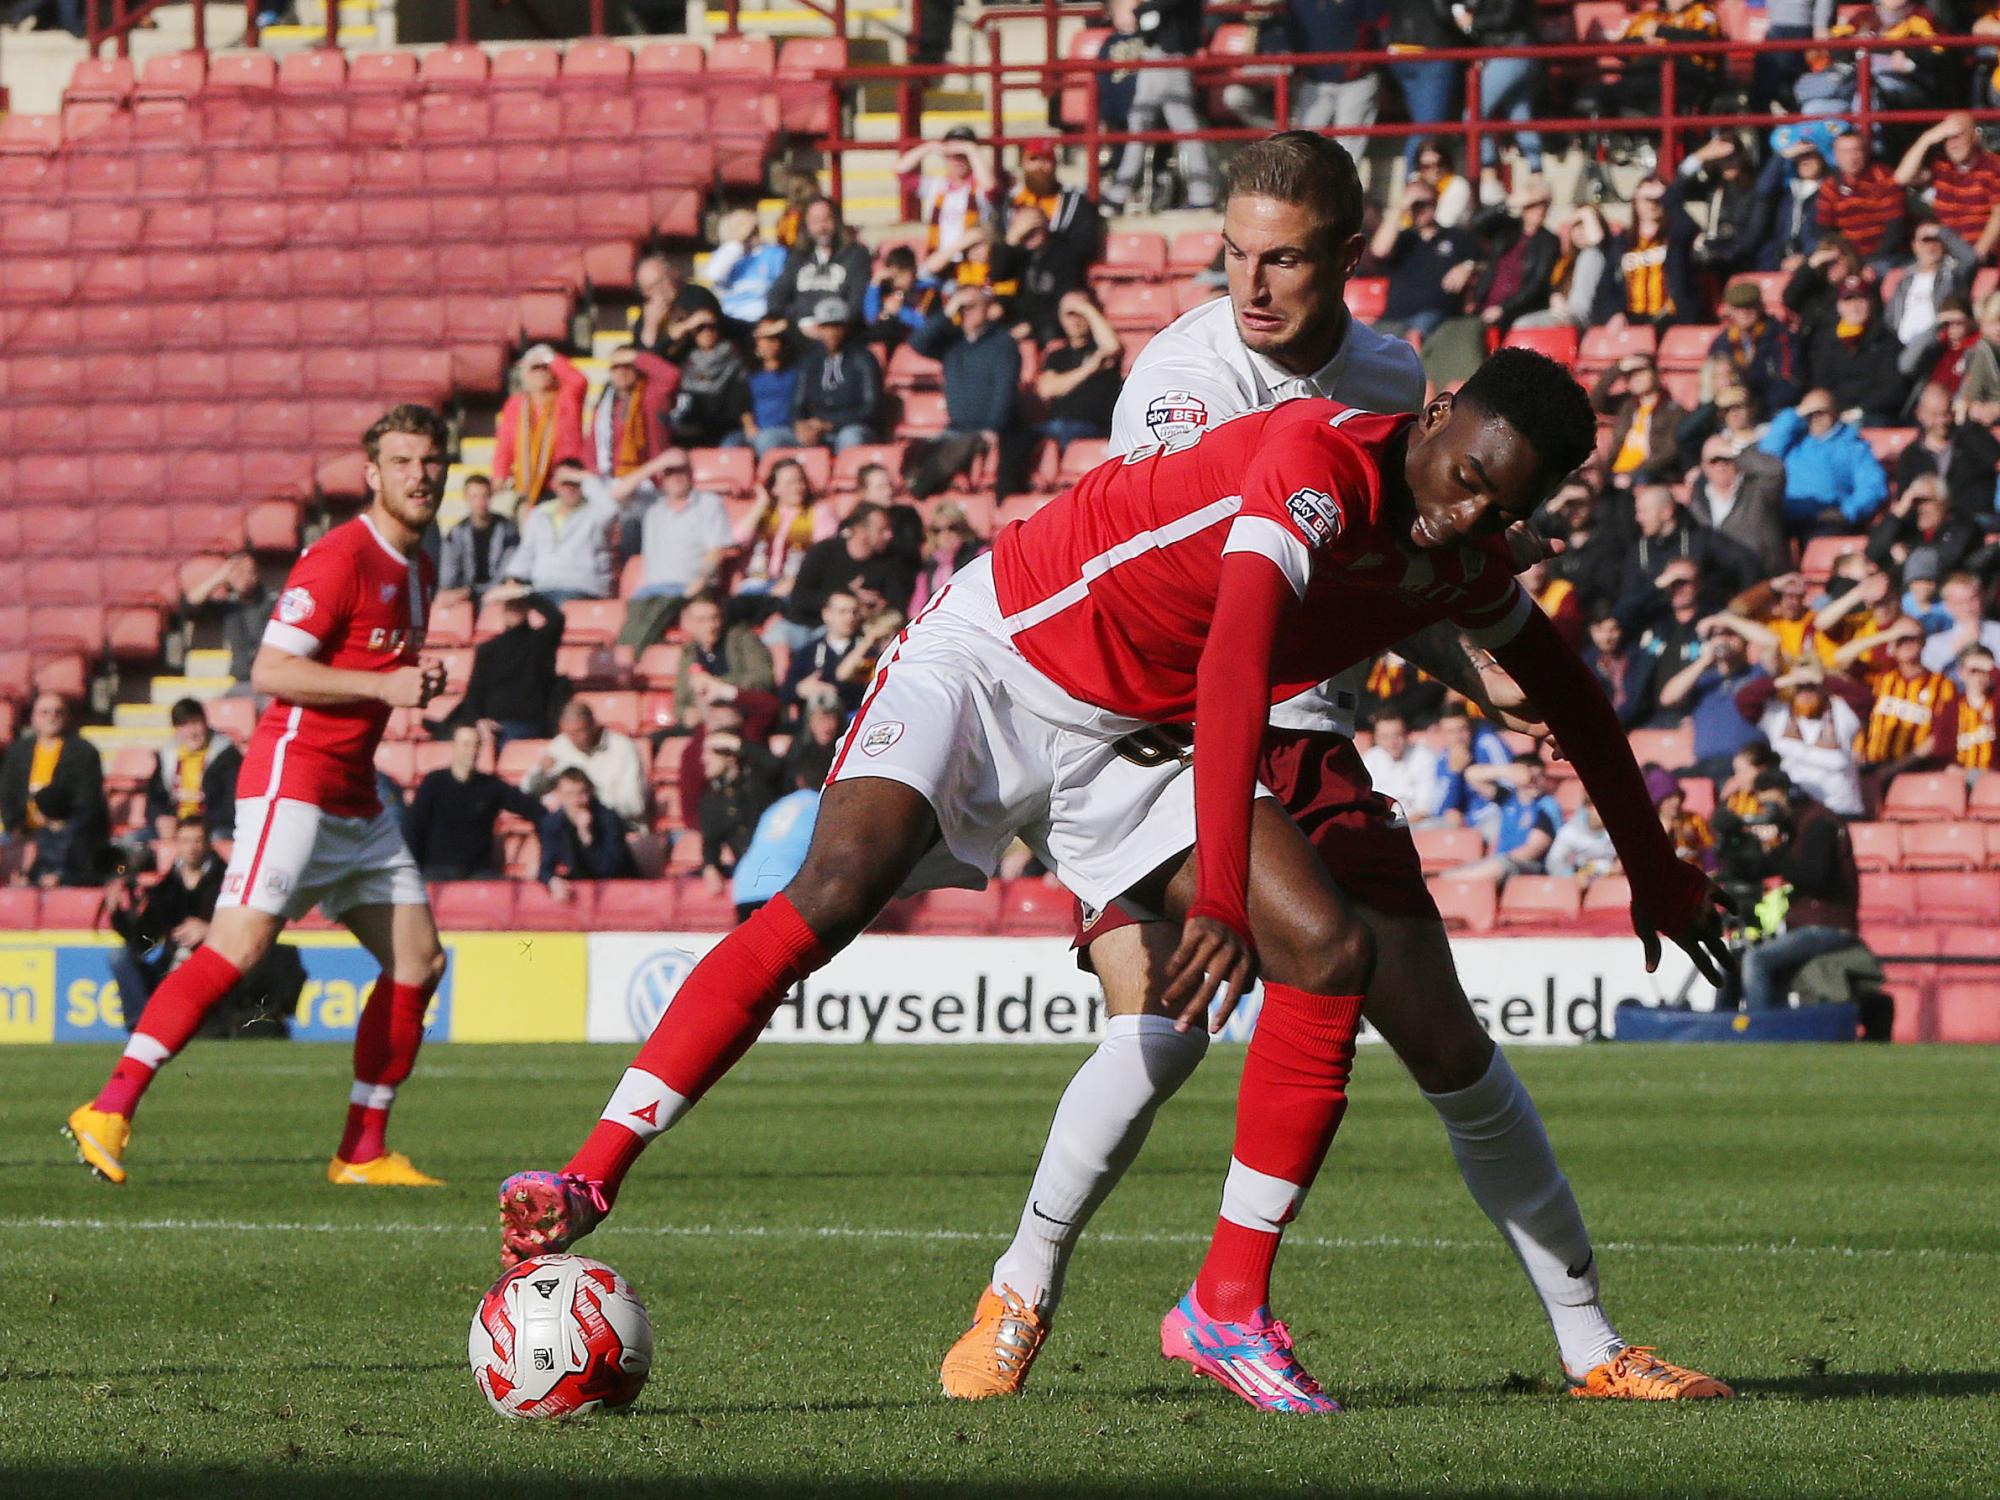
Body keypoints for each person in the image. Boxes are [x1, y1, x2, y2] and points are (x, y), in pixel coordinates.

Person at [496, 347, 1733, 1421]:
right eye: (1467, 478)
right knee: (835, 890)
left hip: (1127, 730)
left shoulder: (1451, 556)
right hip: (995, 655)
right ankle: (591, 1170)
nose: (1467, 517)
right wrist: (1213, 901)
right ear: (1436, 412)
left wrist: (1654, 871)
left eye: (1499, 507)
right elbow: (1237, 660)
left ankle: (1223, 1308)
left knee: (1330, 955)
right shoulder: (1314, 459)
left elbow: (1567, 690)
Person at [939, 138, 1722, 1407]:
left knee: (1443, 1040)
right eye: (1239, 255)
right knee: (1162, 1012)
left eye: (1283, 258)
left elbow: (1375, 567)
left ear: (1344, 262)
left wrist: (1477, 662)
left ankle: (1588, 1343)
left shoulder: (1394, 381)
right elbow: (1200, 594)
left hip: (1308, 727)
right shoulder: (1183, 378)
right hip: (1173, 727)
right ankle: (1024, 1286)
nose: (1253, 285)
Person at [65, 405, 454, 1190]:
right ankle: (109, 1107)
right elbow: (273, 671)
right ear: (372, 474)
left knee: (419, 960)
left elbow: (376, 669)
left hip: (354, 797)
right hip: (294, 780)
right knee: (237, 947)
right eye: (404, 462)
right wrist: (385, 684)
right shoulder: (341, 556)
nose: (421, 475)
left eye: (431, 461)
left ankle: (362, 1151)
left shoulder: (421, 563)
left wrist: (410, 682)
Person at [1716, 773, 1861, 1011]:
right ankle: (1731, 1030)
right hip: (1804, 923)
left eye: (1771, 803)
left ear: (1785, 795)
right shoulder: (1795, 826)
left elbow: (1814, 878)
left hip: (1827, 923)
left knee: (1757, 959)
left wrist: (1775, 847)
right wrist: (1734, 846)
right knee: (1741, 959)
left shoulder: (1819, 823)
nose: (1769, 810)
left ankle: (1762, 1032)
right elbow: (1766, 868)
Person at [997, 290, 1123, 501]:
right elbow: (1047, 388)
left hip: (1093, 425)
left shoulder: (1104, 349)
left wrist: (1085, 307)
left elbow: (1112, 347)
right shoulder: (1057, 355)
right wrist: (1089, 368)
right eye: (1068, 314)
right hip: (1057, 424)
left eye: (1080, 312)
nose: (1075, 319)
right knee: (1014, 439)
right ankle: (1008, 501)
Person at [1101, 0, 1219, 214]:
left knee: (1181, 124)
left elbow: (1161, 7)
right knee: (1142, 122)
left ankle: (1203, 196)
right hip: (1157, 52)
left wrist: (1143, 11)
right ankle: (1117, 195)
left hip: (1172, 53)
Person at [905, 284, 1022, 499]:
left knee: (959, 447)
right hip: (955, 428)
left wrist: (992, 428)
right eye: (962, 308)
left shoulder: (1003, 343)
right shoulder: (953, 342)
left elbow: (1005, 388)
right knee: (913, 450)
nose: (966, 312)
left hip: (985, 430)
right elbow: (916, 343)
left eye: (972, 306)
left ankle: (918, 489)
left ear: (987, 308)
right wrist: (949, 310)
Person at [103, 817, 226, 1019]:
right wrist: (118, 912)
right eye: (186, 841)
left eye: (197, 840)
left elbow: (243, 926)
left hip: (212, 965)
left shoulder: (227, 882)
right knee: (119, 956)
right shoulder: (166, 888)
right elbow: (142, 939)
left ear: (208, 843)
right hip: (172, 965)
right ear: (177, 843)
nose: (192, 847)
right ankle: (142, 1026)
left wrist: (210, 930)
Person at [616, 449, 735, 651]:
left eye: (682, 470)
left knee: (647, 623)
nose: (676, 477)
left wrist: (699, 580)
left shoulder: (708, 503)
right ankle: (623, 664)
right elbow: (617, 493)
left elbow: (716, 550)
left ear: (691, 473)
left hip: (689, 587)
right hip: (652, 589)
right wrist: (656, 464)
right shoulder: (653, 504)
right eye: (669, 472)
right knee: (635, 617)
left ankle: (624, 664)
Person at [406, 723, 546, 881]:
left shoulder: (491, 786)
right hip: (437, 872)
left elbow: (536, 811)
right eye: (466, 744)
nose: (471, 751)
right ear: (453, 746)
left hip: (479, 874)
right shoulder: (433, 783)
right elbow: (414, 828)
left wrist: (545, 863)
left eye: (476, 744)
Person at [1733, 657, 1869, 815]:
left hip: (1841, 810)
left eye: (1811, 687)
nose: (1805, 693)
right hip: (1795, 810)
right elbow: (1744, 699)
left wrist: (1821, 678)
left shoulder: (1842, 712)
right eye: (1800, 687)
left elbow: (1865, 699)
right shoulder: (1778, 714)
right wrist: (1787, 680)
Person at [0, 692, 108, 888]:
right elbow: (7, 795)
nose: (52, 717)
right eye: (45, 712)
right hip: (22, 830)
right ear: (33, 717)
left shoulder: (84, 753)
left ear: (67, 716)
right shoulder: (18, 752)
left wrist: (56, 824)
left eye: (58, 712)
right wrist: (16, 826)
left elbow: (88, 802)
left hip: (66, 833)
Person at [1758, 389, 1891, 538]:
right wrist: (1796, 415)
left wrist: (1846, 512)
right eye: (1810, 414)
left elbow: (1872, 486)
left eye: (1821, 412)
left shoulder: (1853, 445)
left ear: (1834, 412)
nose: (1815, 418)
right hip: (1786, 516)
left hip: (1828, 520)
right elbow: (1766, 453)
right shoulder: (1793, 439)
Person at [1652, 617, 1771, 782]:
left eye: (1730, 634)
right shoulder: (1703, 679)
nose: (1722, 639)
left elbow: (1772, 643)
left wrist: (1726, 619)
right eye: (1716, 636)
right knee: (1658, 781)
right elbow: (1667, 698)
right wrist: (1704, 661)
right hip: (1704, 765)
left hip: (1743, 763)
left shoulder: (1756, 673)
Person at [501, 460, 629, 605]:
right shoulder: (540, 514)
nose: (570, 489)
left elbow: (611, 508)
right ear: (555, 485)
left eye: (575, 483)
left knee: (553, 609)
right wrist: (513, 578)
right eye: (564, 483)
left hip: (583, 587)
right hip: (543, 587)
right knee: (506, 607)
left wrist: (584, 477)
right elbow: (527, 550)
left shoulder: (595, 513)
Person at [1366, 181, 1479, 342]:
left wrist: (1468, 267)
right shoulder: (1402, 239)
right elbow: (1379, 251)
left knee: (1413, 337)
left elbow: (1488, 263)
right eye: (1414, 205)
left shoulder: (1457, 237)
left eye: (1425, 203)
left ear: (1435, 202)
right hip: (1393, 318)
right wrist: (1399, 208)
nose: (1420, 209)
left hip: (1436, 317)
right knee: (1365, 342)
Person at [450, 588, 565, 747]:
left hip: (526, 724)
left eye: (518, 607)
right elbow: (475, 691)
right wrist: (479, 720)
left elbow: (557, 619)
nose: (514, 612)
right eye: (510, 608)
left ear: (527, 610)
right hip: (491, 725)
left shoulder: (539, 643)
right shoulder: (488, 649)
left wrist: (525, 594)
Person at [779, 298, 884, 454]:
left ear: (846, 328)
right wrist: (800, 425)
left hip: (851, 426)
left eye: (836, 326)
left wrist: (830, 424)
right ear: (817, 328)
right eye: (825, 327)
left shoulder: (863, 358)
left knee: (850, 438)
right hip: (815, 427)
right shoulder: (809, 359)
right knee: (770, 438)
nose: (831, 333)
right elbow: (797, 403)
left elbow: (870, 408)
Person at [1894, 111, 2000, 265]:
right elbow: (1901, 178)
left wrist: (1977, 255)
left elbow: (1999, 215)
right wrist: (1927, 138)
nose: (1952, 143)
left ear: (1975, 136)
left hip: (1978, 255)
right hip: (1941, 255)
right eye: (1946, 138)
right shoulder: (1941, 165)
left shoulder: (1994, 166)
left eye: (1958, 136)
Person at [522, 700, 650, 828]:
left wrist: (587, 802)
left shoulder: (623, 748)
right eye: (570, 733)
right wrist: (541, 772)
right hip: (570, 829)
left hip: (618, 826)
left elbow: (635, 804)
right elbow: (527, 790)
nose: (575, 739)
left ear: (593, 725)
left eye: (581, 731)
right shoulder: (560, 744)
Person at [493, 346, 587, 506]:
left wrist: (551, 358)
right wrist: (500, 473)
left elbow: (579, 380)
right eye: (535, 368)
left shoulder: (566, 398)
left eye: (545, 367)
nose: (541, 372)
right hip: (529, 485)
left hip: (565, 481)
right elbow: (505, 444)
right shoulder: (515, 405)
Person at [673, 593, 778, 731]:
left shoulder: (743, 639)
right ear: (687, 624)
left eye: (715, 618)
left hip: (743, 717)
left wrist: (716, 684)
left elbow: (763, 678)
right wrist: (686, 714)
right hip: (705, 721)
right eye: (702, 620)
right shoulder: (689, 653)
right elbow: (681, 700)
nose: (711, 625)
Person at [1688, 437, 1791, 578]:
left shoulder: (1758, 489)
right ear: (1704, 466)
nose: (1721, 465)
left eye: (1726, 459)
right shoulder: (1697, 502)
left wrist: (1735, 452)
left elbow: (1776, 470)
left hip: (1765, 575)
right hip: (1723, 581)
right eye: (1714, 461)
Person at [144, 697, 241, 844]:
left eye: (195, 723)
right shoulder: (167, 757)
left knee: (218, 839)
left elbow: (230, 807)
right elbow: (154, 800)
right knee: (131, 841)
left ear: (205, 723)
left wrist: (197, 825)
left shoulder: (228, 757)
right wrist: (159, 819)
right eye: (183, 725)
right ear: (175, 730)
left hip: (211, 828)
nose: (191, 733)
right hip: (176, 827)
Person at [766, 198, 875, 329]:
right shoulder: (798, 256)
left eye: (827, 220)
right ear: (806, 225)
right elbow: (777, 296)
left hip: (838, 330)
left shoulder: (856, 255)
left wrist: (828, 326)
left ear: (837, 221)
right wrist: (797, 321)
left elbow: (855, 304)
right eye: (815, 221)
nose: (822, 227)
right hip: (799, 328)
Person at [729, 770, 821, 921]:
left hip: (744, 889)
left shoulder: (778, 806)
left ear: (800, 780)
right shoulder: (823, 806)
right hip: (785, 891)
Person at [694, 732, 777, 898]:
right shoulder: (711, 801)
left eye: (710, 753)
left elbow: (777, 766)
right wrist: (710, 866)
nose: (703, 760)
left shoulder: (758, 785)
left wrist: (740, 745)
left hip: (773, 870)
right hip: (746, 873)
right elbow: (711, 842)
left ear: (729, 757)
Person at [538, 767, 637, 902]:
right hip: (581, 889)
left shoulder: (609, 819)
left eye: (581, 793)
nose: (576, 801)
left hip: (619, 892)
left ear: (590, 792)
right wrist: (552, 881)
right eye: (569, 794)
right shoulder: (553, 824)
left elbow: (610, 869)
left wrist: (587, 838)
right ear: (559, 795)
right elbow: (545, 867)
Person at [183, 551, 276, 685]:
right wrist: (219, 577)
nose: (241, 577)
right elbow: (190, 606)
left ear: (256, 574)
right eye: (236, 572)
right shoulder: (229, 606)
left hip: (268, 678)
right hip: (241, 679)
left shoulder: (273, 602)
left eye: (247, 572)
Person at [1594, 356, 1688, 488]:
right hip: (1616, 471)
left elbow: (1669, 451)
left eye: (1641, 372)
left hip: (1649, 474)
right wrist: (1617, 369)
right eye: (1630, 375)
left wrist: (1632, 474)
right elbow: (1594, 403)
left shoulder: (1673, 411)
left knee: (1642, 480)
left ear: (1655, 375)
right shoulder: (1626, 406)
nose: (1635, 378)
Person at [1711, 281, 1802, 418]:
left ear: (1761, 307)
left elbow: (1790, 384)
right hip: (1730, 413)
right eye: (1738, 308)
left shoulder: (1781, 338)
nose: (1744, 312)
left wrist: (1753, 404)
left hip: (1771, 412)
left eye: (1749, 307)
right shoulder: (1723, 342)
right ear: (1729, 310)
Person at [668, 308, 753, 450]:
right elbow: (656, 355)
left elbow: (740, 399)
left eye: (712, 327)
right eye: (700, 328)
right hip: (690, 424)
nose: (707, 332)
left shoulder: (734, 359)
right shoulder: (684, 360)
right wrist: (686, 326)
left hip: (724, 427)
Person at [588, 346, 678, 478]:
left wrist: (636, 356)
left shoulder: (652, 395)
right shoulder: (604, 407)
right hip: (614, 479)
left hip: (652, 478)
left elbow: (671, 376)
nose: (621, 372)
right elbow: (592, 444)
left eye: (627, 366)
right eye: (616, 367)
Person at [1818, 133, 1906, 265]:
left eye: (1856, 151)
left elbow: (1895, 226)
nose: (1851, 158)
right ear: (1836, 156)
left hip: (1884, 255)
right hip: (1848, 257)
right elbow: (1825, 229)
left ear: (1866, 152)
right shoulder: (1830, 186)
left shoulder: (1883, 177)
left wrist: (1876, 261)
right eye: (1844, 152)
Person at [436, 475, 519, 609]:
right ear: (466, 498)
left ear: (491, 496)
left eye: (484, 496)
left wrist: (485, 591)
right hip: (465, 595)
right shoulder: (456, 533)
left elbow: (508, 571)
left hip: (497, 593)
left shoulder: (508, 530)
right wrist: (464, 591)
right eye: (475, 497)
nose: (480, 502)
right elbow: (448, 577)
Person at [1358, 710, 1446, 820]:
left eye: (1397, 735)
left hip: (1419, 825)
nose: (1392, 742)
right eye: (1385, 737)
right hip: (1381, 824)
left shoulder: (1423, 756)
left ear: (1407, 734)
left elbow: (1425, 808)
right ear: (1376, 738)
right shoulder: (1371, 758)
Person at [1581, 604, 1659, 729]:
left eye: (1612, 630)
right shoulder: (1588, 661)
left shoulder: (1638, 658)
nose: (1607, 637)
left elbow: (1636, 702)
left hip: (1633, 726)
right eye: (1600, 630)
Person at [908, 500, 990, 618]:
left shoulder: (979, 556)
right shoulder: (930, 567)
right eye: (937, 530)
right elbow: (916, 608)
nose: (945, 535)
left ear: (962, 529)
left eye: (952, 528)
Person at [736, 317, 802, 455]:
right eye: (763, 338)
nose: (768, 344)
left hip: (786, 430)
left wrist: (779, 327)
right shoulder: (750, 374)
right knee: (730, 444)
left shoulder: (796, 371)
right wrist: (749, 426)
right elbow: (743, 405)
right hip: (756, 430)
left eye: (773, 338)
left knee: (767, 439)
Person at [1922, 572, 2000, 676]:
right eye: (1960, 602)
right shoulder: (1934, 643)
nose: (1968, 607)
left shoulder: (1997, 633)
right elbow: (1926, 676)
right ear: (1948, 606)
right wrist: (1954, 649)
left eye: (1972, 599)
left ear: (1982, 597)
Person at [1952, 644, 1997, 770]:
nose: (1979, 676)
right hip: (1959, 779)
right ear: (1961, 673)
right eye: (1973, 670)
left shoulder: (1996, 703)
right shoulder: (1951, 707)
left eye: (1984, 670)